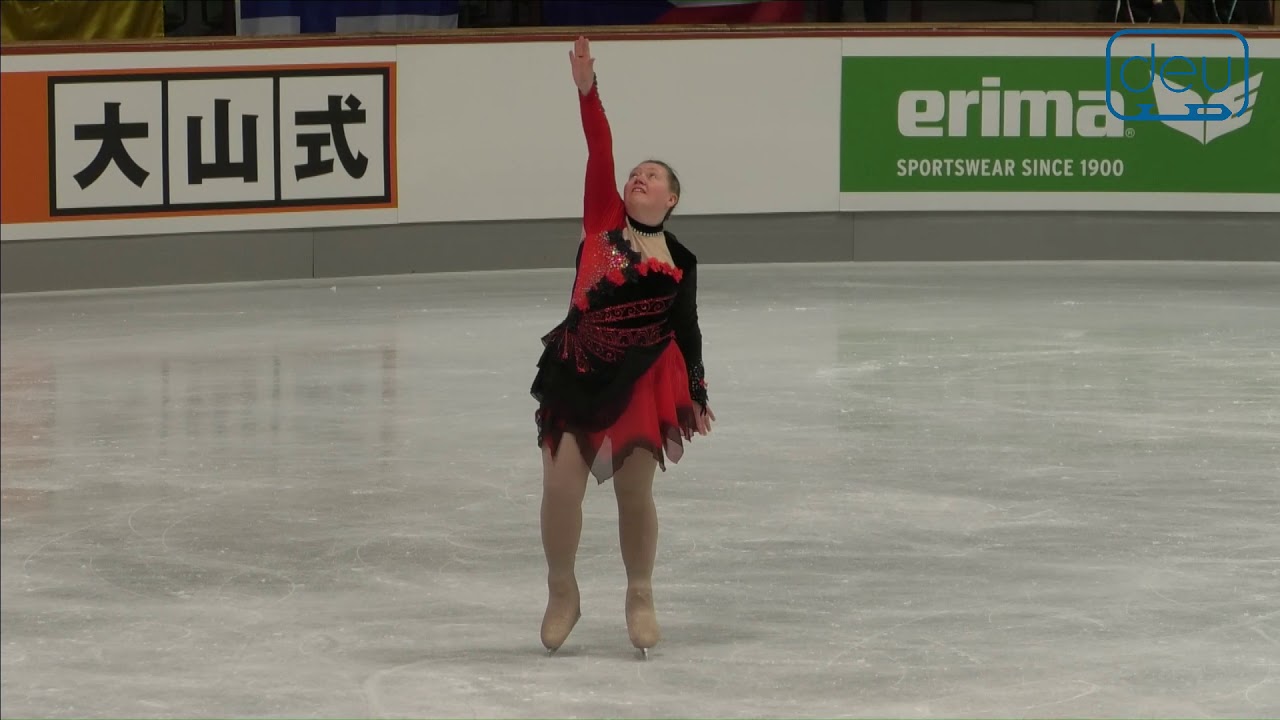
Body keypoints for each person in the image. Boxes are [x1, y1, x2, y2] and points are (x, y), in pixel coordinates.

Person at [529, 36, 715, 658]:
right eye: (638, 172)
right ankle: (563, 591)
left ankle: (640, 592)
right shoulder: (602, 216)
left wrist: (698, 388)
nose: (640, 177)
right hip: (577, 371)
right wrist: (587, 89)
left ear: (672, 199)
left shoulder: (682, 260)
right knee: (560, 488)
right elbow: (600, 144)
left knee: (635, 494)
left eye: (653, 176)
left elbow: (686, 328)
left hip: (642, 383)